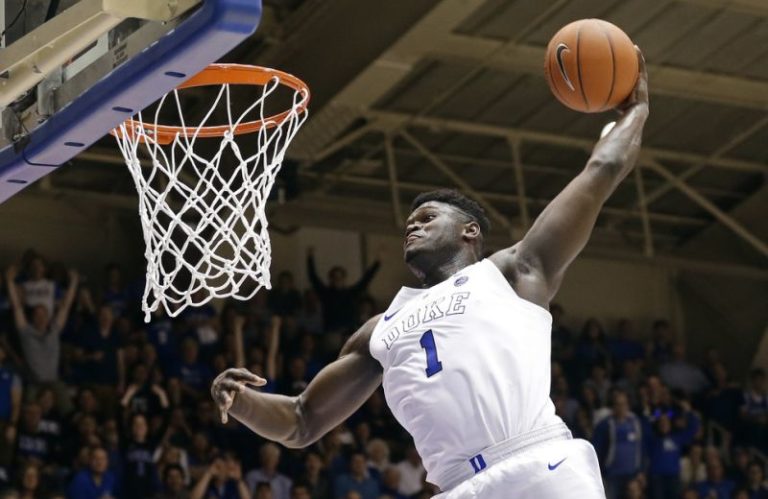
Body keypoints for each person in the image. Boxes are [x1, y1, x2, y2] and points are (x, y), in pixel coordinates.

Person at [211, 49, 650, 498]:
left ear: (470, 231)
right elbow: (302, 420)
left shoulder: (512, 272)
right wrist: (242, 401)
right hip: (457, 488)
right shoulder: (378, 332)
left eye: (427, 217)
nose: (412, 225)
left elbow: (603, 169)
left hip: (539, 466)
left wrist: (636, 111)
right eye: (409, 222)